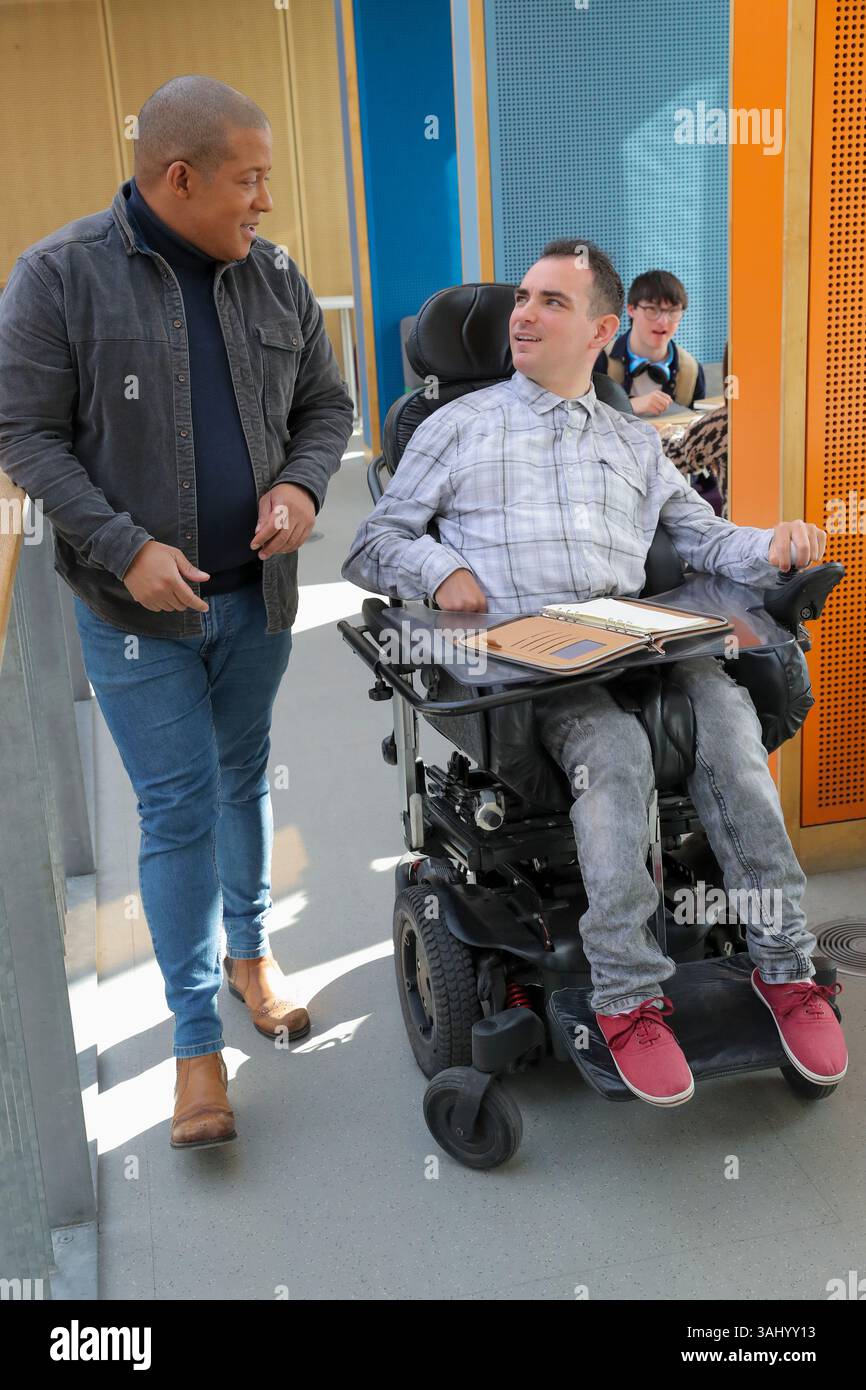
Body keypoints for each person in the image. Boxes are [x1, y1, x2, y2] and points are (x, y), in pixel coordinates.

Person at [342, 237, 846, 1109]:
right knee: (613, 749)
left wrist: (772, 544)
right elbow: (373, 541)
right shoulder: (456, 427)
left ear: (602, 329)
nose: (524, 314)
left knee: (726, 729)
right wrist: (438, 573)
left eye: (550, 302)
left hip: (635, 640)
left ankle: (786, 970)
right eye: (523, 300)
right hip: (525, 665)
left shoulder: (633, 440)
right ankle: (626, 998)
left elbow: (700, 539)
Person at [0, 75, 354, 1148]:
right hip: (130, 612)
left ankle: (251, 957)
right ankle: (194, 1045)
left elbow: (325, 407)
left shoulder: (275, 277)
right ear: (179, 177)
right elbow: (25, 435)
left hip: (259, 600)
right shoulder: (59, 277)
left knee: (242, 775)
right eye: (249, 180)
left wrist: (298, 487)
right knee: (177, 808)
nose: (265, 203)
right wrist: (124, 546)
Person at [596, 268, 706, 416]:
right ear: (631, 309)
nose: (663, 321)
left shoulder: (692, 370)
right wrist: (629, 406)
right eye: (652, 310)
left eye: (673, 311)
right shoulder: (600, 359)